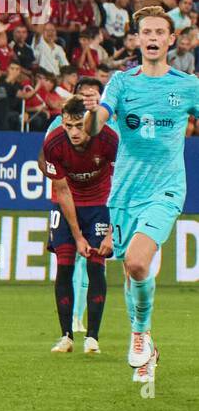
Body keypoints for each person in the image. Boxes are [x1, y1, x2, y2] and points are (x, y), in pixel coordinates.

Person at [84, 6, 199, 384]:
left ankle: (139, 333)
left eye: (158, 32)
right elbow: (98, 122)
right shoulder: (121, 82)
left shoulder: (187, 86)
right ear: (136, 39)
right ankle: (147, 343)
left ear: (170, 40)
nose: (150, 38)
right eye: (144, 32)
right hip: (124, 192)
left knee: (136, 262)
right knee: (132, 275)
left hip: (165, 188)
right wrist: (91, 116)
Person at [42, 94, 117, 355]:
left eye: (78, 125)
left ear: (88, 122)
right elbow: (62, 190)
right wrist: (77, 237)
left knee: (96, 267)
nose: (73, 132)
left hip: (100, 205)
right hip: (67, 205)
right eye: (67, 126)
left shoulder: (109, 139)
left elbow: (121, 185)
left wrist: (111, 233)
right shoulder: (53, 143)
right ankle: (66, 336)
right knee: (64, 267)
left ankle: (92, 338)